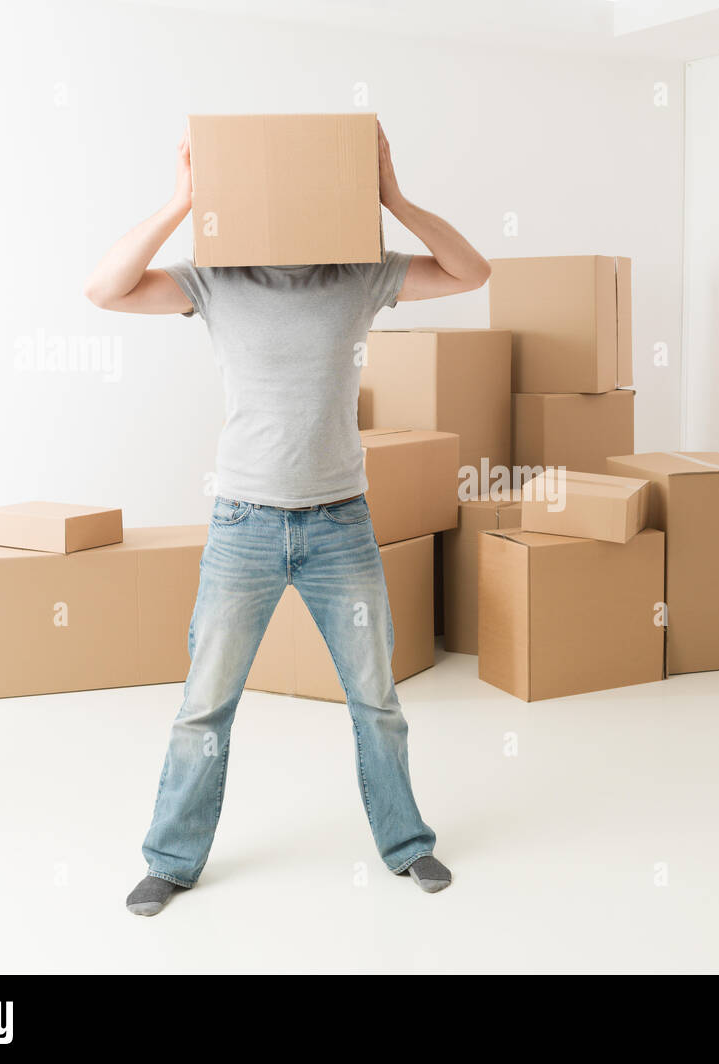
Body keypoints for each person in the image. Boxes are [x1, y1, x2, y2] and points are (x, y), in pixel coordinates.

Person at [84, 121, 490, 915]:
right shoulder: (214, 278)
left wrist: (392, 196)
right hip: (244, 525)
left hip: (341, 524)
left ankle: (408, 846)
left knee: (377, 699)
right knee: (206, 701)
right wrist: (184, 202)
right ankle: (171, 858)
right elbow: (104, 289)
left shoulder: (359, 273)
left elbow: (472, 273)